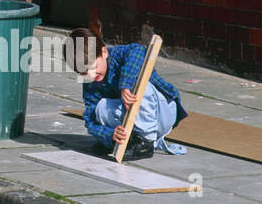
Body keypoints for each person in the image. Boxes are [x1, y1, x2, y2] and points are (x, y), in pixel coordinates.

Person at [65, 25, 188, 160]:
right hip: (133, 119)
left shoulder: (120, 54)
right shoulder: (90, 84)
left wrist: (125, 85)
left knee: (141, 86)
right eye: (83, 72)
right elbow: (90, 120)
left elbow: (139, 50)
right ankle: (128, 140)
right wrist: (109, 134)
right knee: (100, 107)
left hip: (162, 113)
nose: (91, 74)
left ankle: (146, 142)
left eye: (93, 67)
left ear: (104, 52)